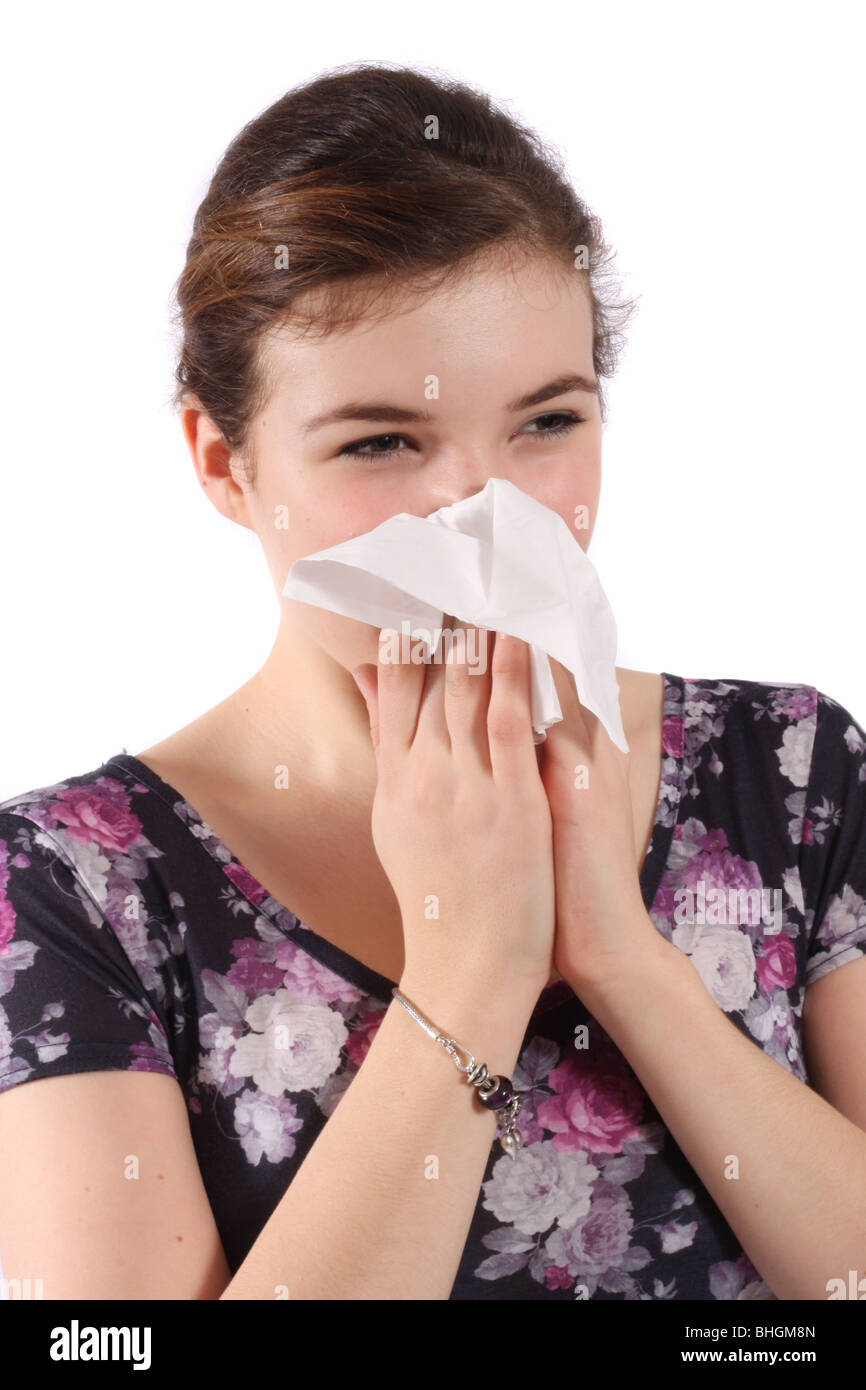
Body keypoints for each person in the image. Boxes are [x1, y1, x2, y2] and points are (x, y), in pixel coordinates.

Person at [1, 61, 866, 1303]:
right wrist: (470, 971)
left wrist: (618, 957)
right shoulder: (76, 884)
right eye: (380, 442)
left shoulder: (789, 773)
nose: (484, 517)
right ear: (223, 463)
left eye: (547, 422)